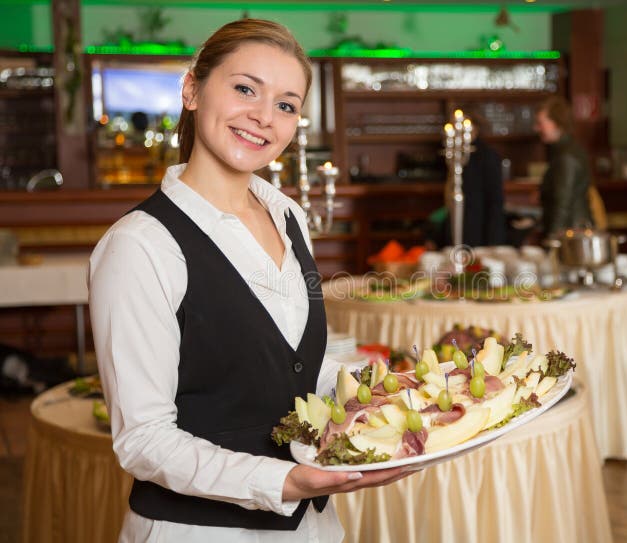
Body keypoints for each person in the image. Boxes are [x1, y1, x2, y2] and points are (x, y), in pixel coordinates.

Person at [89, 19, 406, 542]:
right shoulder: (140, 246)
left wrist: (381, 388)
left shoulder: (288, 217)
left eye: (286, 104)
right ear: (191, 89)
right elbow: (143, 440)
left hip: (316, 528)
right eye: (244, 89)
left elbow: (288, 363)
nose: (263, 118)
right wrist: (283, 480)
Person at [533, 96, 593, 239]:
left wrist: (552, 240)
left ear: (557, 123)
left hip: (570, 234)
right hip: (572, 230)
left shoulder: (566, 156)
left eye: (541, 123)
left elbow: (562, 204)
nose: (536, 128)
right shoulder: (566, 150)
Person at [461, 112, 506, 247]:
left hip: (480, 228)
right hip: (460, 225)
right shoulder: (455, 153)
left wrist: (494, 239)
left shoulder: (487, 155)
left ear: (475, 127)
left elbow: (495, 199)